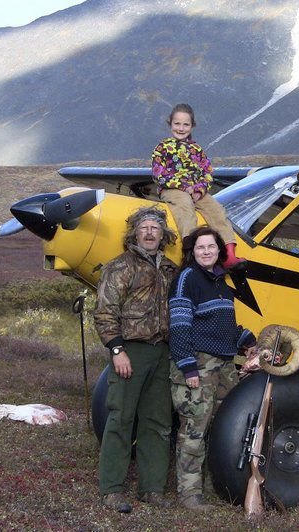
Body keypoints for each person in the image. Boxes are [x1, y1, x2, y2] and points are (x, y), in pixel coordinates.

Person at [93, 205, 179, 513]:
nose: (149, 232)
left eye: (155, 228)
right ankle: (112, 489)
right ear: (134, 233)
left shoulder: (171, 269)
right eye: (143, 227)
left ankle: (152, 488)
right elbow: (104, 311)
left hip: (162, 351)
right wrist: (117, 349)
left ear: (163, 234)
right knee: (121, 418)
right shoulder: (120, 266)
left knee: (158, 422)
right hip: (132, 351)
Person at [168, 225, 257, 510]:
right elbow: (180, 326)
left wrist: (247, 340)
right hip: (198, 365)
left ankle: (214, 486)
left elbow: (223, 326)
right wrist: (187, 367)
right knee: (194, 430)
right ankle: (190, 495)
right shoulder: (187, 278)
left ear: (219, 250)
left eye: (210, 247)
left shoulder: (221, 283)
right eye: (200, 248)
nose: (206, 252)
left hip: (225, 365)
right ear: (192, 252)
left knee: (224, 428)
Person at [151, 103, 245, 269]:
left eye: (185, 124)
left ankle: (229, 254)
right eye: (177, 124)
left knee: (217, 210)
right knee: (186, 208)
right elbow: (159, 174)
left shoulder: (197, 149)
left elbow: (207, 173)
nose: (181, 128)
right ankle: (189, 253)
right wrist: (183, 186)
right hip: (173, 190)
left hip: (196, 192)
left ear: (192, 126)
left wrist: (199, 189)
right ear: (170, 124)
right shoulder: (162, 147)